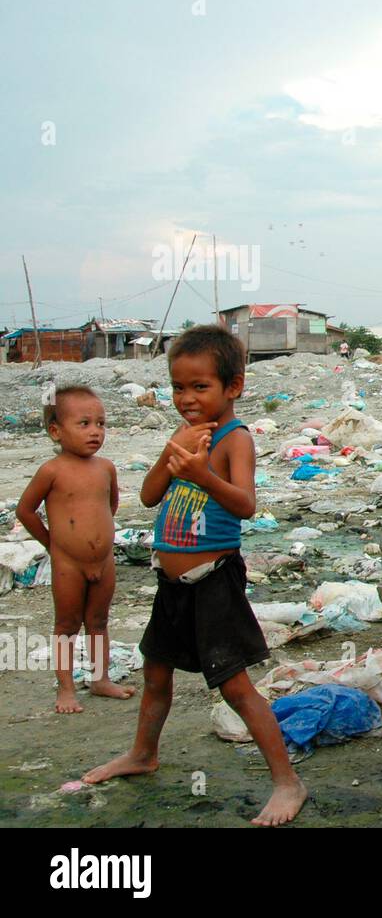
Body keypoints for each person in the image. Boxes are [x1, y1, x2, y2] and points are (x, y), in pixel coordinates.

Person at [84, 325, 307, 826]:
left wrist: (202, 472)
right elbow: (147, 496)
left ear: (233, 387)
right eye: (178, 387)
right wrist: (174, 452)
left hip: (214, 580)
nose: (186, 398)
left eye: (199, 387)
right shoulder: (183, 436)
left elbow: (246, 505)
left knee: (235, 686)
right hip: (170, 581)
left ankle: (288, 783)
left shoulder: (235, 438)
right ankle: (143, 754)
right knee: (155, 672)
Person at [17, 386, 132, 713]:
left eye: (101, 423)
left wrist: (98, 542)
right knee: (66, 625)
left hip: (104, 561)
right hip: (68, 564)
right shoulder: (51, 471)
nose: (96, 431)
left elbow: (109, 507)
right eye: (84, 424)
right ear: (56, 431)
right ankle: (65, 689)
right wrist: (53, 545)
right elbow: (25, 511)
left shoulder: (106, 467)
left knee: (98, 621)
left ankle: (100, 679)